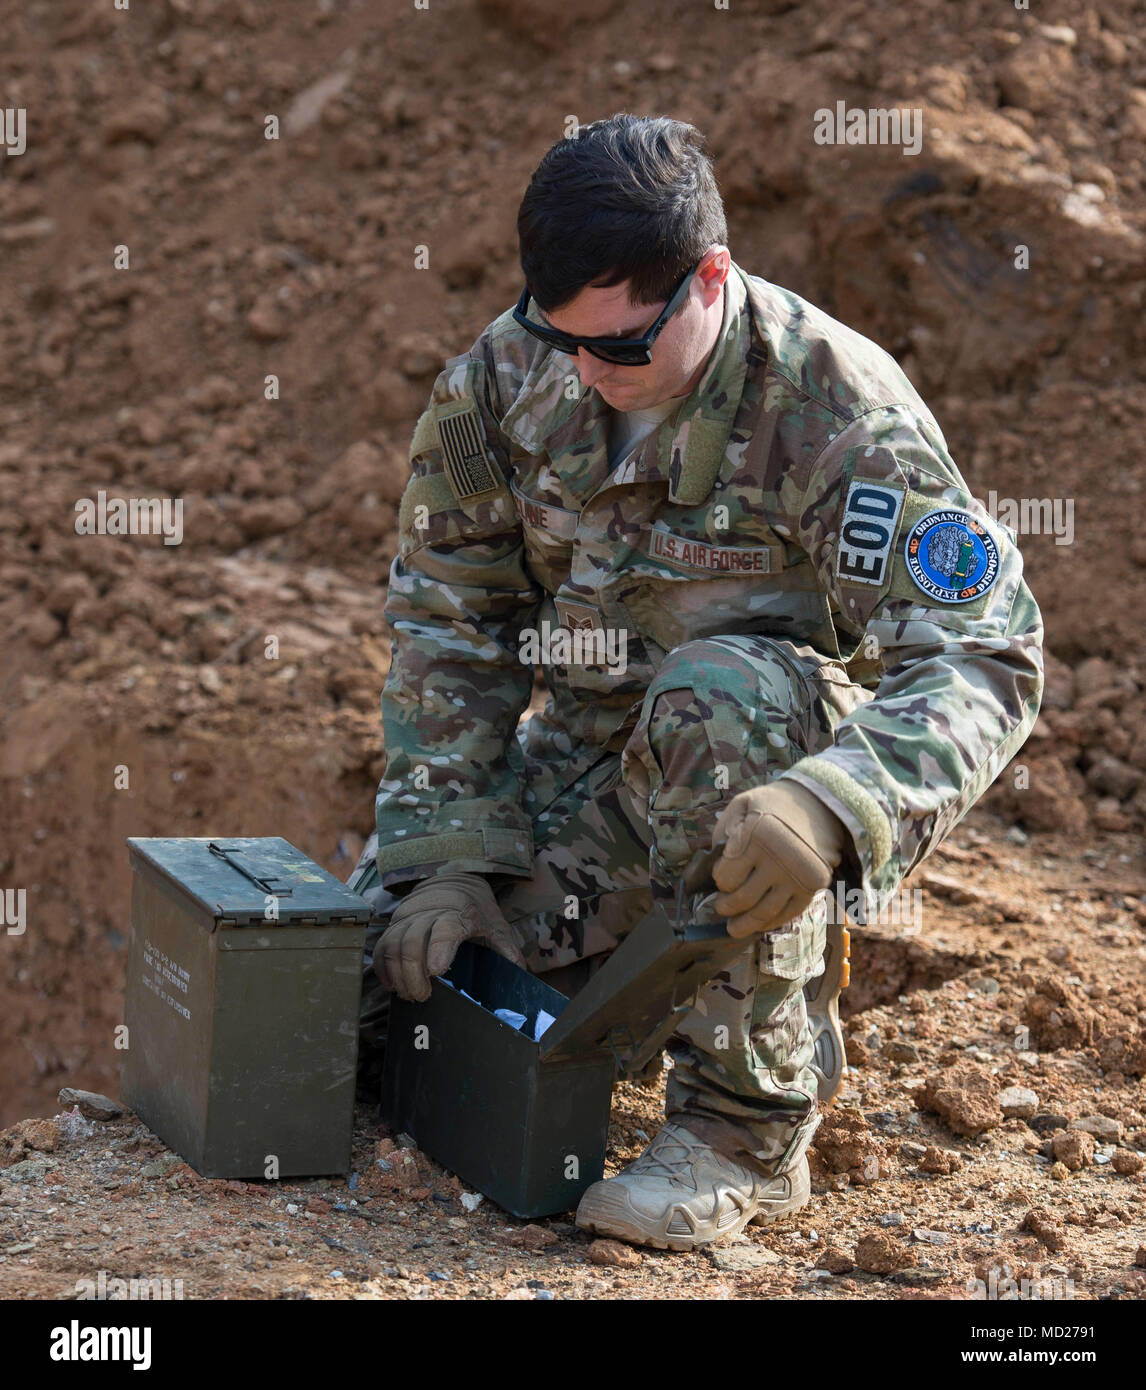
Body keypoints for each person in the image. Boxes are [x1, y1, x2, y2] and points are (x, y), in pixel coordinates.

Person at [347, 112, 1044, 1251]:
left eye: (621, 346)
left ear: (708, 278)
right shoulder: (511, 376)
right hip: (585, 782)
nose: (588, 370)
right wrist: (451, 855)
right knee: (362, 1005)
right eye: (559, 334)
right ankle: (592, 991)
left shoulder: (836, 411)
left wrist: (832, 804)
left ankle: (745, 1128)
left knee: (717, 698)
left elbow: (987, 652)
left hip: (748, 780)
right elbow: (450, 615)